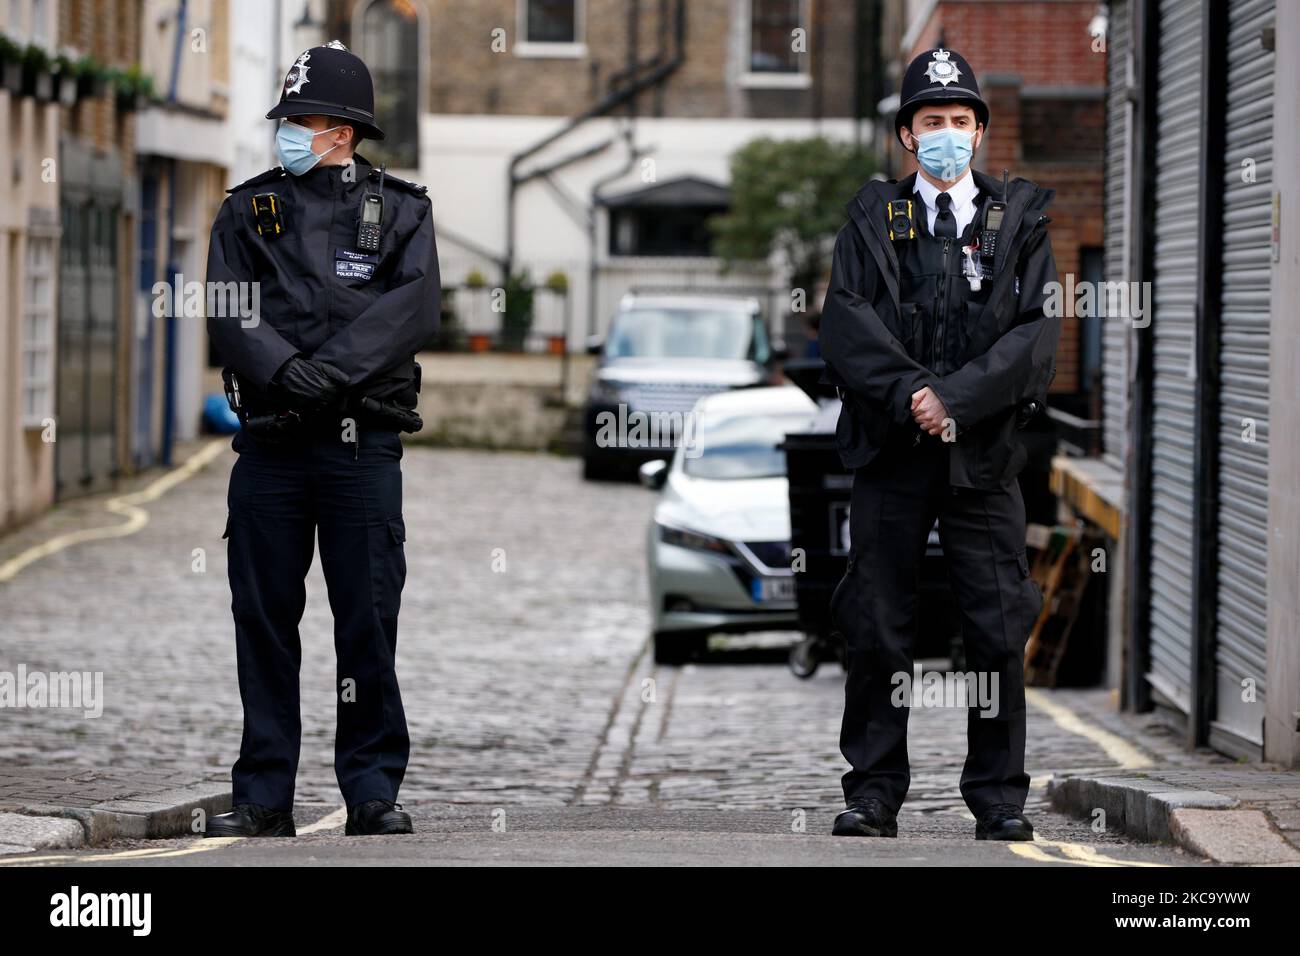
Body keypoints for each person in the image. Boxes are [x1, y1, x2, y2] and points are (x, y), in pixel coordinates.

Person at [820, 47, 1059, 840]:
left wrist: (952, 398)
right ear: (908, 136)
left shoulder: (1017, 223)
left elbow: (1035, 340)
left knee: (995, 627)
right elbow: (846, 325)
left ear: (981, 132)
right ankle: (873, 794)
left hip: (982, 457)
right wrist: (910, 396)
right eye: (933, 121)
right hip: (891, 453)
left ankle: (998, 798)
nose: (948, 133)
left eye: (961, 120)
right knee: (879, 624)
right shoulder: (871, 218)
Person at [203, 40, 439, 838]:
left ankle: (372, 788)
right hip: (270, 447)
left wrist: (326, 374)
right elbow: (230, 309)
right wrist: (284, 369)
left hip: (361, 447)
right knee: (263, 618)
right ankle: (262, 795)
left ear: (341, 129)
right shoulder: (246, 208)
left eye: (300, 122)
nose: (288, 135)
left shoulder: (402, 210)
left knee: (367, 616)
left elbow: (411, 309)